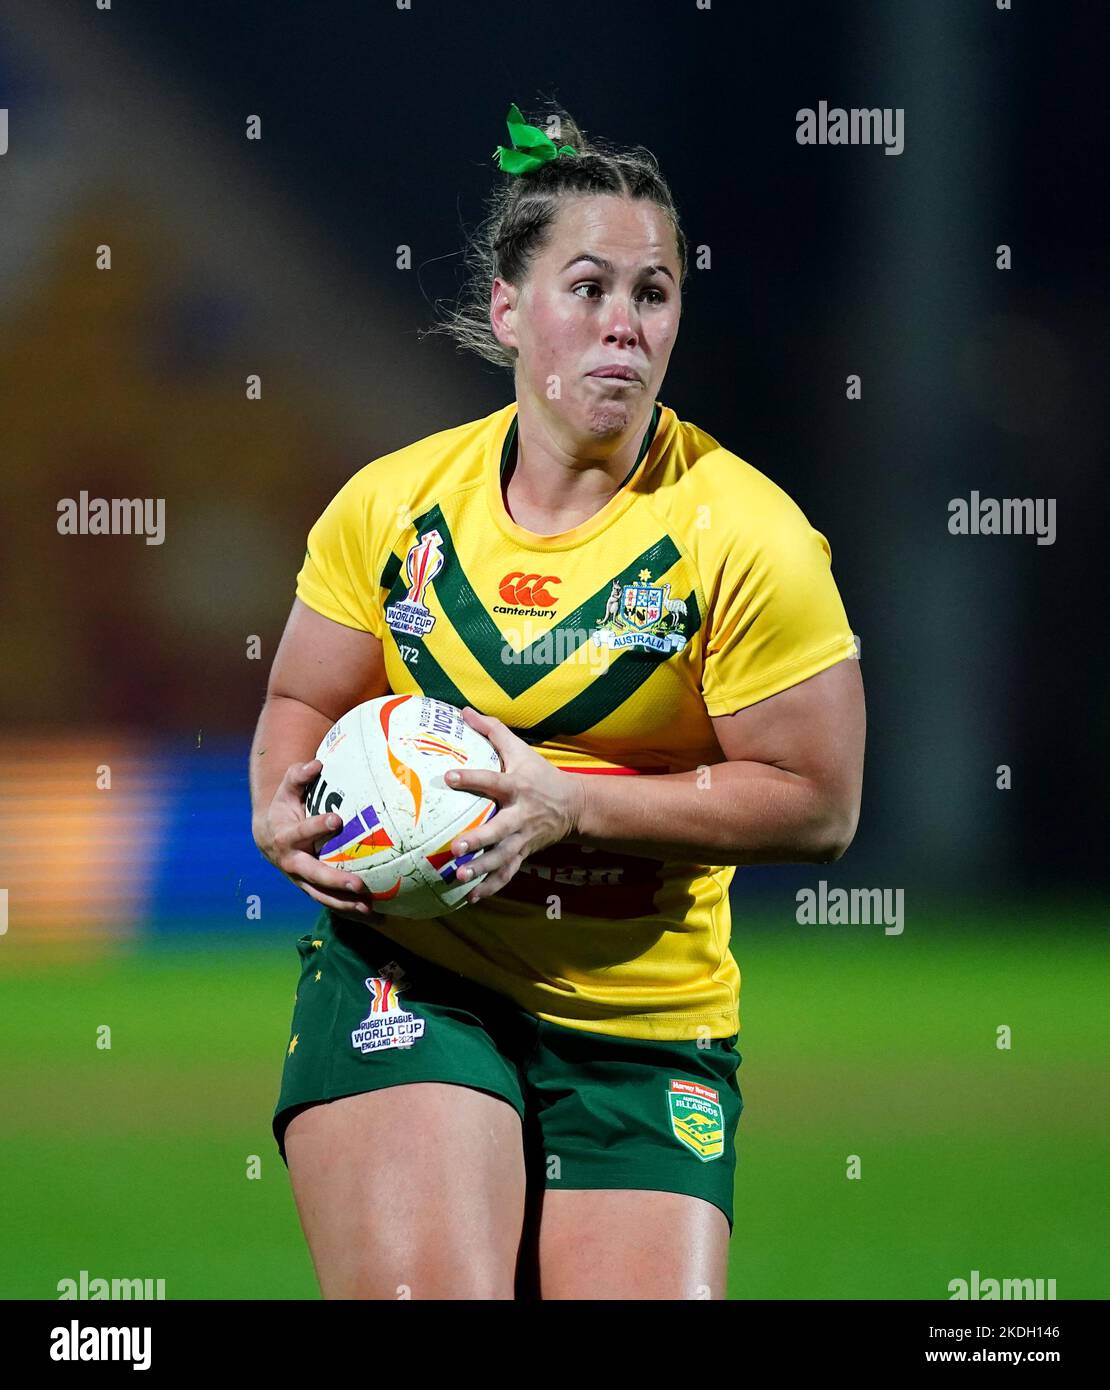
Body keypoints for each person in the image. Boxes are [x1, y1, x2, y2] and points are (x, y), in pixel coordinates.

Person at [249, 102, 865, 1301]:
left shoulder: (748, 536)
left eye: (655, 293)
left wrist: (567, 804)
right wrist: (278, 806)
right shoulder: (393, 505)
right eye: (588, 288)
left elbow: (819, 804)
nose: (625, 326)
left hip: (645, 1021)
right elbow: (298, 704)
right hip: (414, 974)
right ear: (505, 310)